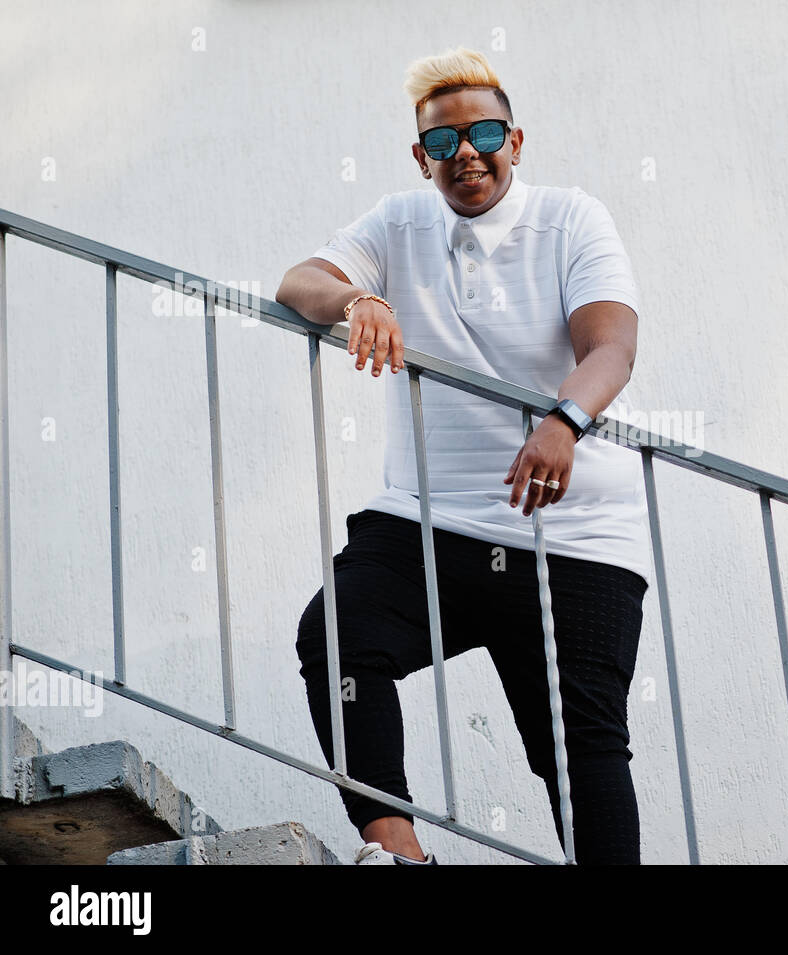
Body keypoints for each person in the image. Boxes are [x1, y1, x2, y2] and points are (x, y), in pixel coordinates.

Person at [275, 46, 653, 865]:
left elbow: (612, 345)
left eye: (483, 133)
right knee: (336, 638)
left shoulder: (573, 219)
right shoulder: (397, 225)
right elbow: (296, 283)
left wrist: (565, 421)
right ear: (423, 158)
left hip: (572, 531)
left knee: (578, 749)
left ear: (516, 140)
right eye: (443, 143)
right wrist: (359, 297)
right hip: (429, 521)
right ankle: (400, 853)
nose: (466, 154)